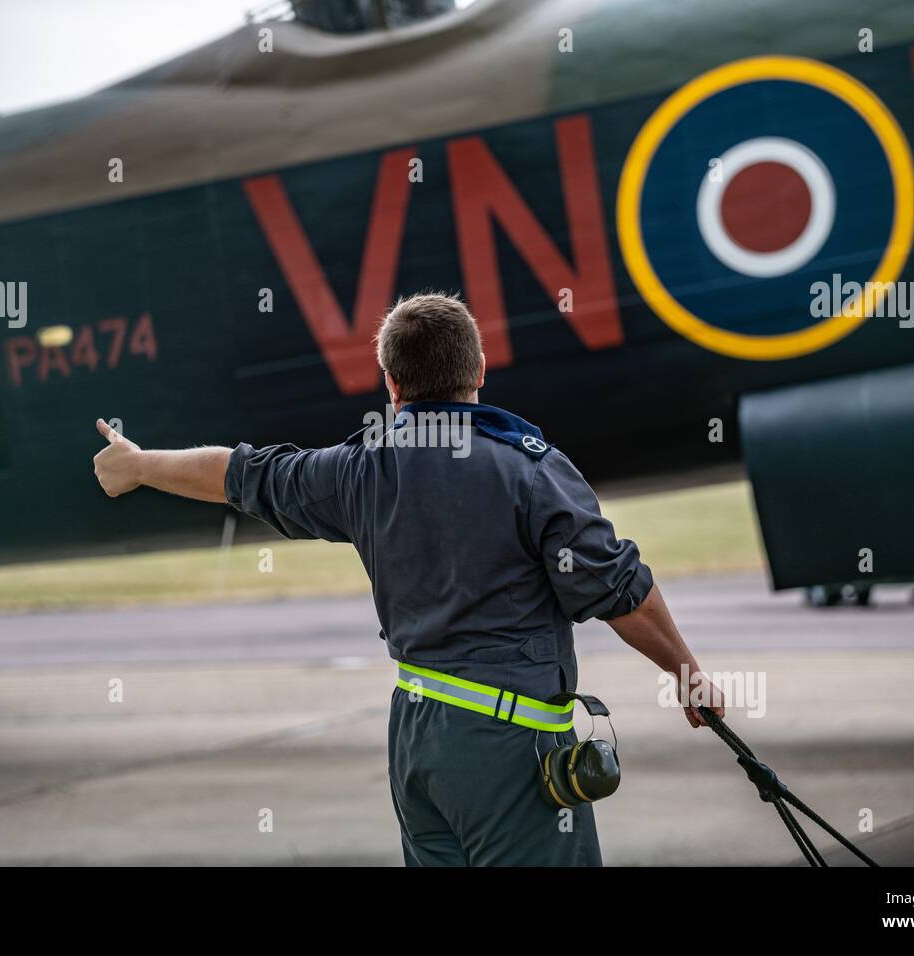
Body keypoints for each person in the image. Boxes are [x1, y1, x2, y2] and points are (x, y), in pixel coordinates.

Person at [92, 292, 723, 866]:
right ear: (477, 371)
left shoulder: (358, 473)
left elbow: (241, 473)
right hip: (511, 747)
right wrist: (687, 673)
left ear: (391, 385)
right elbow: (621, 594)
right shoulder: (531, 471)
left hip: (416, 745)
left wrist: (140, 464)